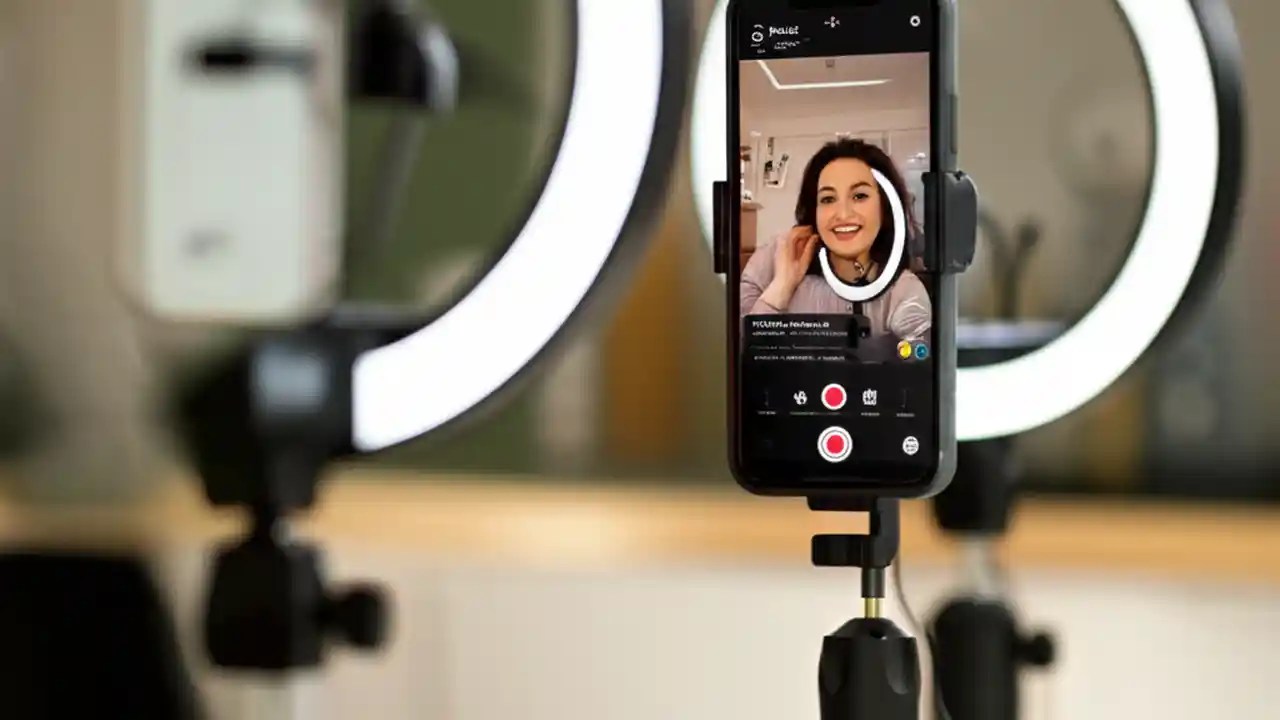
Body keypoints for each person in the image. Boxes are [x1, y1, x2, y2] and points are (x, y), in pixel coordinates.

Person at [740, 138, 932, 343]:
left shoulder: (904, 291)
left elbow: (918, 360)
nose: (842, 214)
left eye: (859, 196)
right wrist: (781, 287)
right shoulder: (772, 258)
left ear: (885, 207)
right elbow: (741, 354)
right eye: (828, 199)